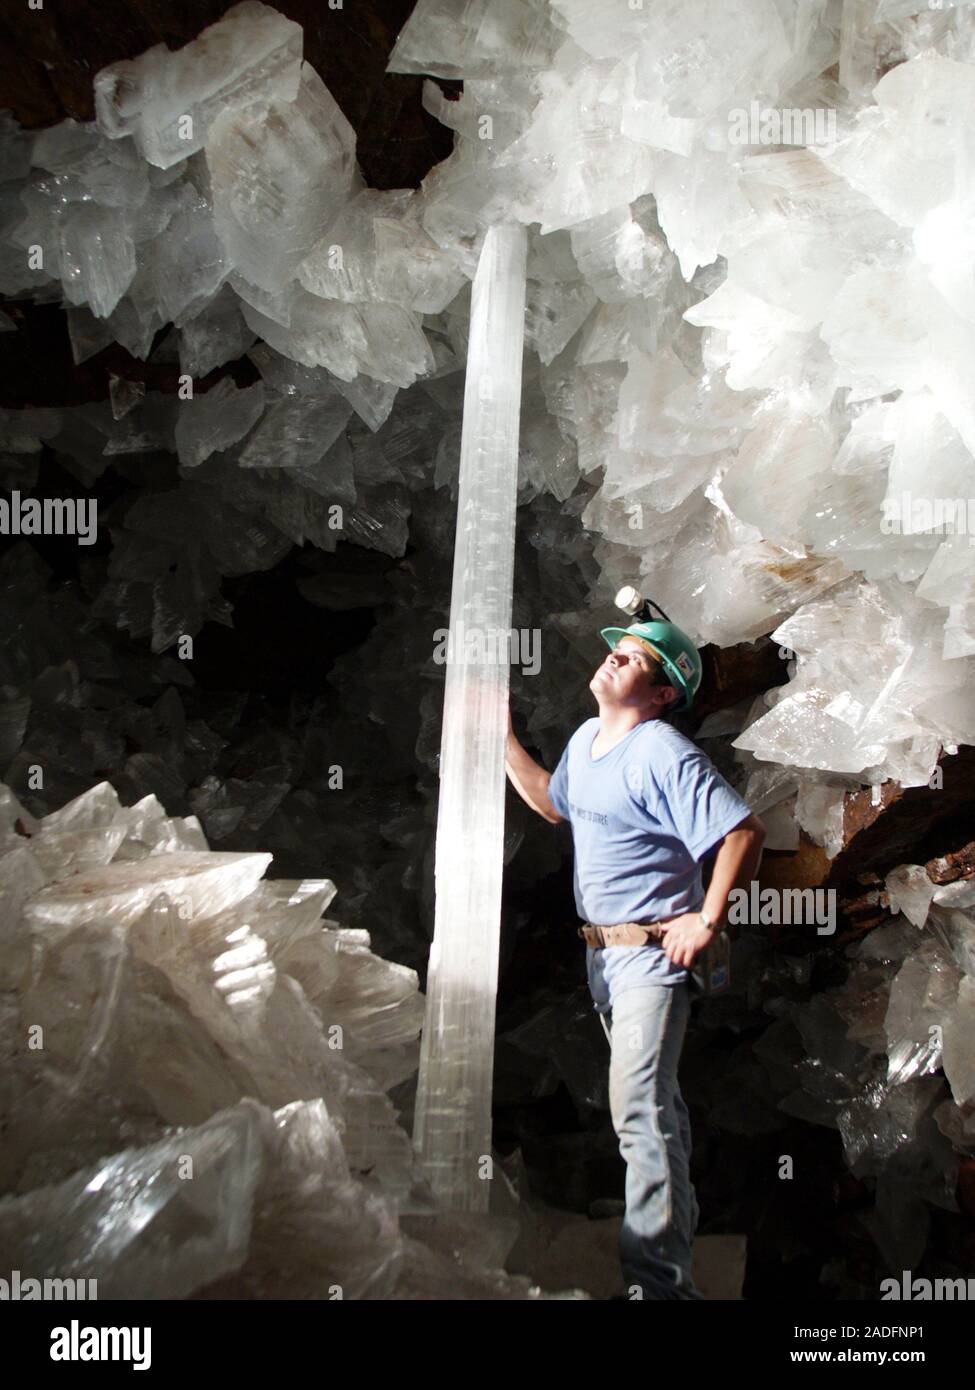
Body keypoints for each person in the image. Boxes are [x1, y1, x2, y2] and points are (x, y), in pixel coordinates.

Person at [504, 616, 765, 1300]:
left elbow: (740, 832)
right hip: (602, 956)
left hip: (649, 957)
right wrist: (498, 741)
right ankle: (667, 1273)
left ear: (659, 695)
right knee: (657, 1114)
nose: (612, 661)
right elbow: (554, 804)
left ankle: (656, 1287)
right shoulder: (588, 739)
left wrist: (706, 919)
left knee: (638, 1111)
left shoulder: (661, 753)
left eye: (632, 659)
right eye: (614, 652)